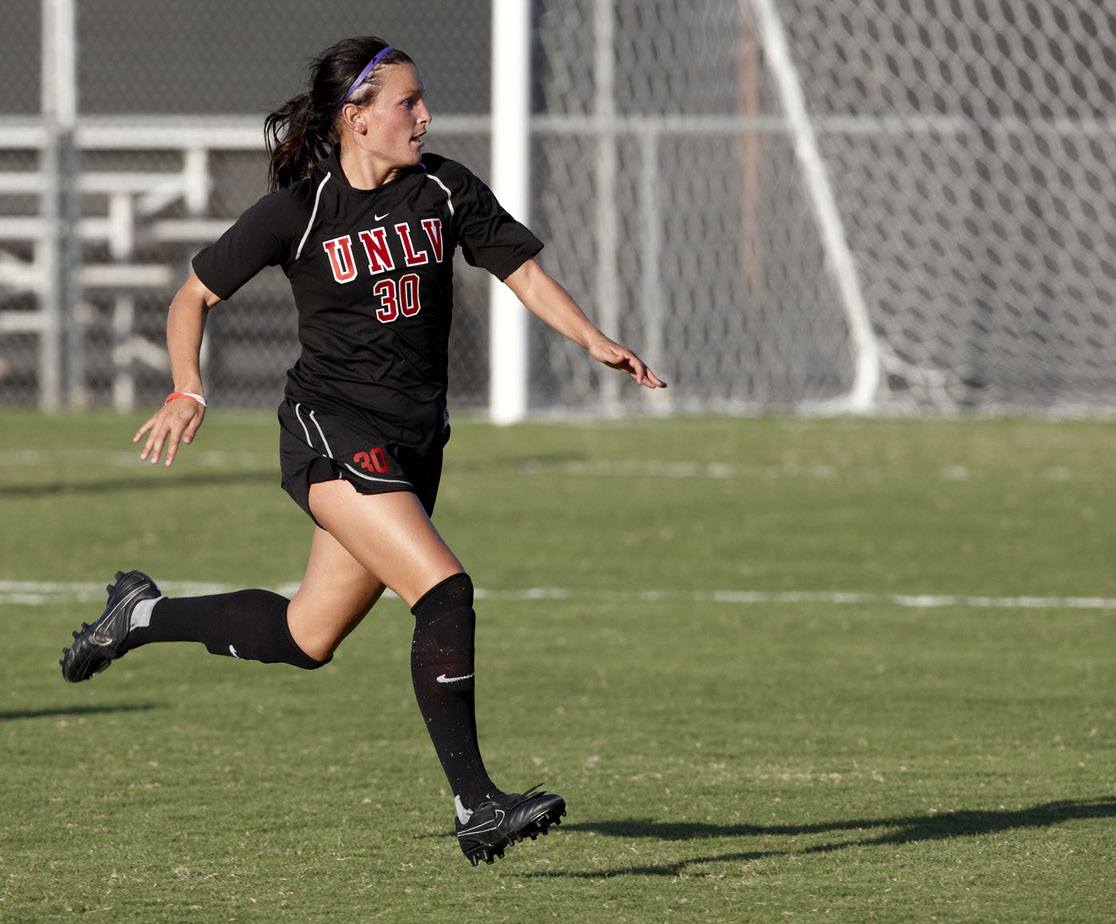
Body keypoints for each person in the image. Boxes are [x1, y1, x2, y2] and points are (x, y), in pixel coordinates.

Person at [58, 36, 666, 867]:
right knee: (445, 589)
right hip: (330, 430)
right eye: (407, 103)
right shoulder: (300, 212)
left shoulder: (445, 189)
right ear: (357, 118)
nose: (424, 115)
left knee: (305, 636)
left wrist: (594, 339)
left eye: (422, 101)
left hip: (415, 444)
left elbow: (519, 272)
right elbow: (193, 295)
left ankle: (141, 615)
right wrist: (185, 387)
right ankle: (476, 804)